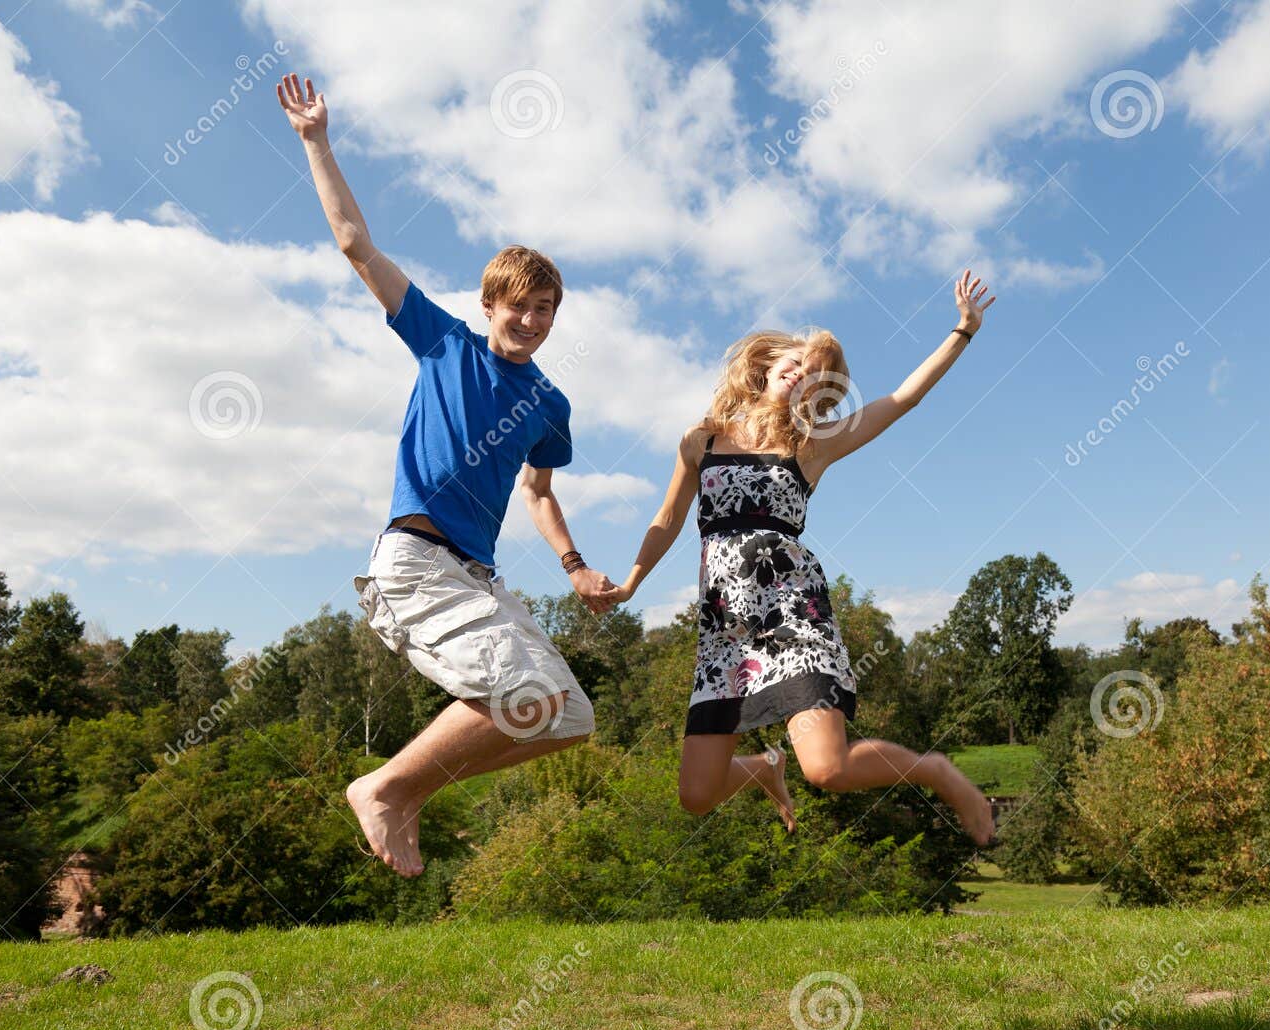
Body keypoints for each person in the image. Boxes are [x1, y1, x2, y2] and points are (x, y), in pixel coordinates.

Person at [277, 73, 615, 878]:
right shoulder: (443, 344)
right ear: (489, 303)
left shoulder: (548, 401)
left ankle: (405, 788)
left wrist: (574, 564)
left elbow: (538, 489)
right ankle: (389, 789)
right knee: (526, 690)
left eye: (546, 311)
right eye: (518, 306)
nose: (531, 321)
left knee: (567, 715)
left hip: (477, 577)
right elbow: (358, 246)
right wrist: (317, 141)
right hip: (416, 562)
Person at [610, 270, 999, 846]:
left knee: (828, 769)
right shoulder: (702, 440)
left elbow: (904, 398)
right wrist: (629, 583)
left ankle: (936, 771)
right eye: (797, 362)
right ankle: (766, 768)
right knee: (695, 796)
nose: (801, 376)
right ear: (768, 363)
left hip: (793, 616)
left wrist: (962, 331)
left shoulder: (812, 445)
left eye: (816, 377)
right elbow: (667, 519)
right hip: (726, 632)